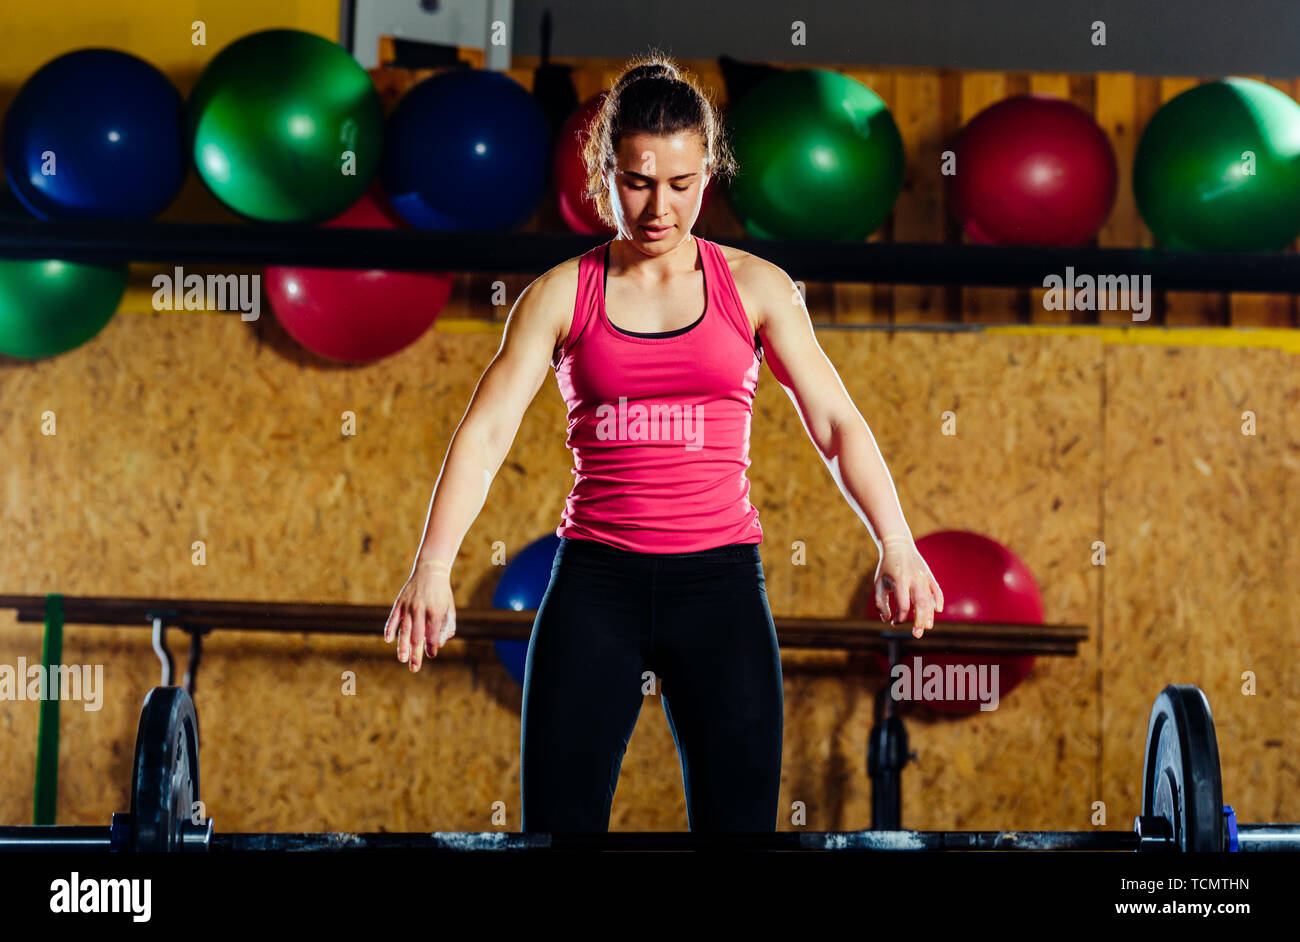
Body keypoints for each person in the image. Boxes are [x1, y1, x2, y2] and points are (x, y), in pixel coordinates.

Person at [383, 52, 944, 832]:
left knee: (738, 836)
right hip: (595, 588)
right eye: (637, 182)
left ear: (708, 172)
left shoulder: (755, 287)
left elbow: (836, 423)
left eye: (681, 185)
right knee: (558, 835)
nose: (658, 207)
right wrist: (433, 567)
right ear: (602, 170)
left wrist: (897, 543)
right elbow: (484, 433)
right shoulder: (558, 295)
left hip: (719, 592)